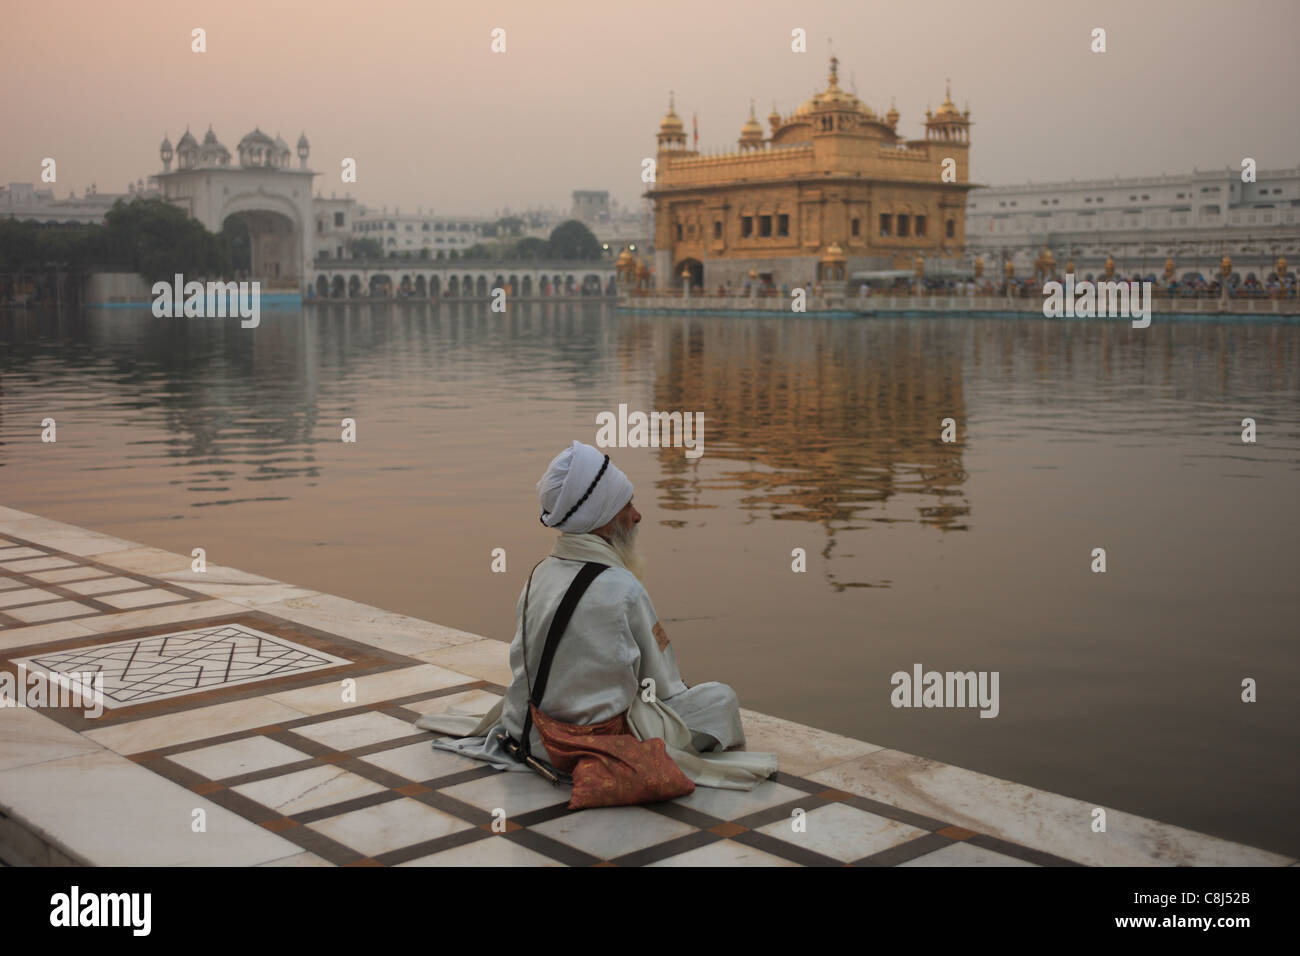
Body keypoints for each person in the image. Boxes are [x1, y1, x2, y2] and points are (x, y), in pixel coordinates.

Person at [416, 441, 776, 790]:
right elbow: (661, 685)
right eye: (627, 507)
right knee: (719, 700)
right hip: (594, 745)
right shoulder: (623, 588)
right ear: (604, 520)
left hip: (527, 732)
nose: (637, 516)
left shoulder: (538, 573)